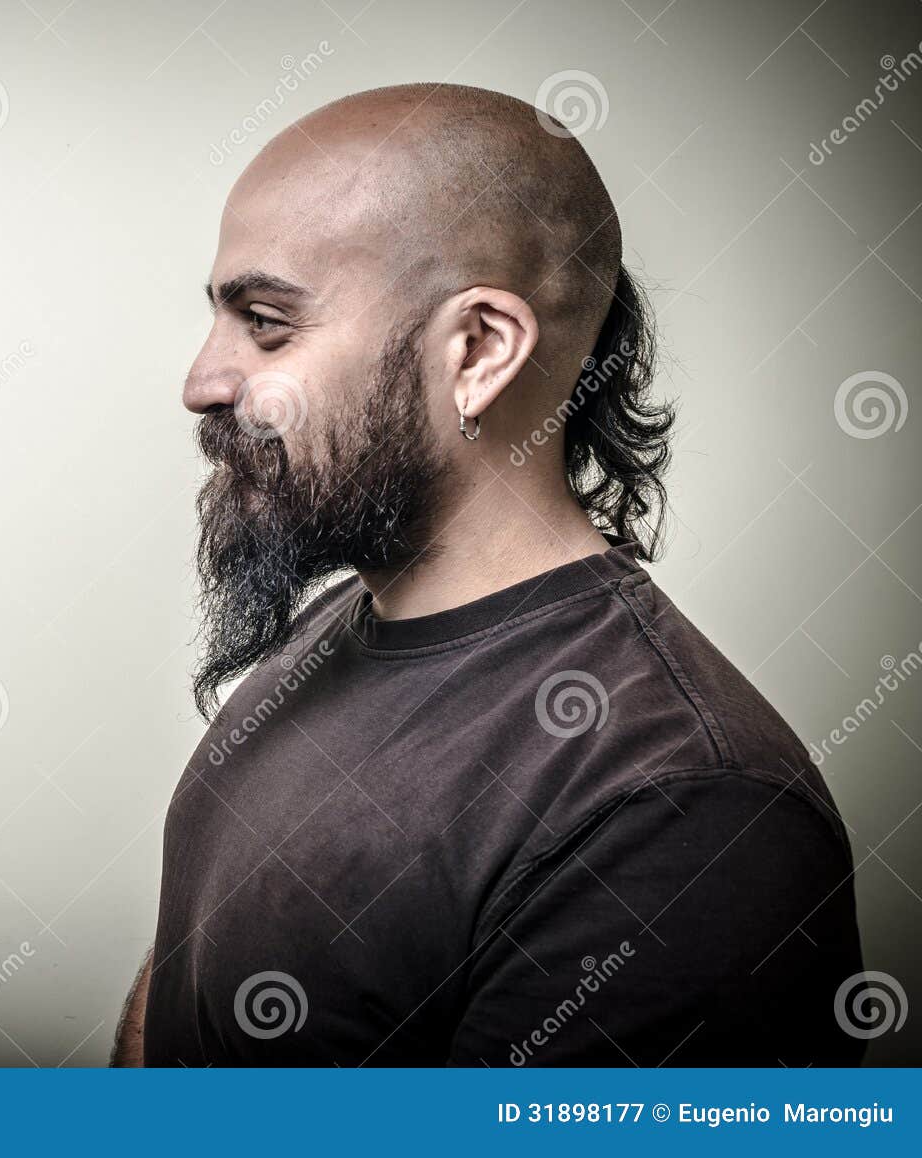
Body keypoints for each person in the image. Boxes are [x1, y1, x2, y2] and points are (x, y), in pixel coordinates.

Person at [111, 83, 863, 1067]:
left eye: (265, 322)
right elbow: (183, 995)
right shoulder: (339, 624)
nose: (201, 383)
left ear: (477, 350)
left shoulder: (687, 814)